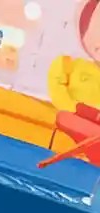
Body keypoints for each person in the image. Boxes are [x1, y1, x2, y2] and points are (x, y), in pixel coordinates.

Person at [48, 0, 100, 165]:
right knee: (65, 117)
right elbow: (59, 96)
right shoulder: (66, 63)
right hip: (77, 118)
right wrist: (83, 110)